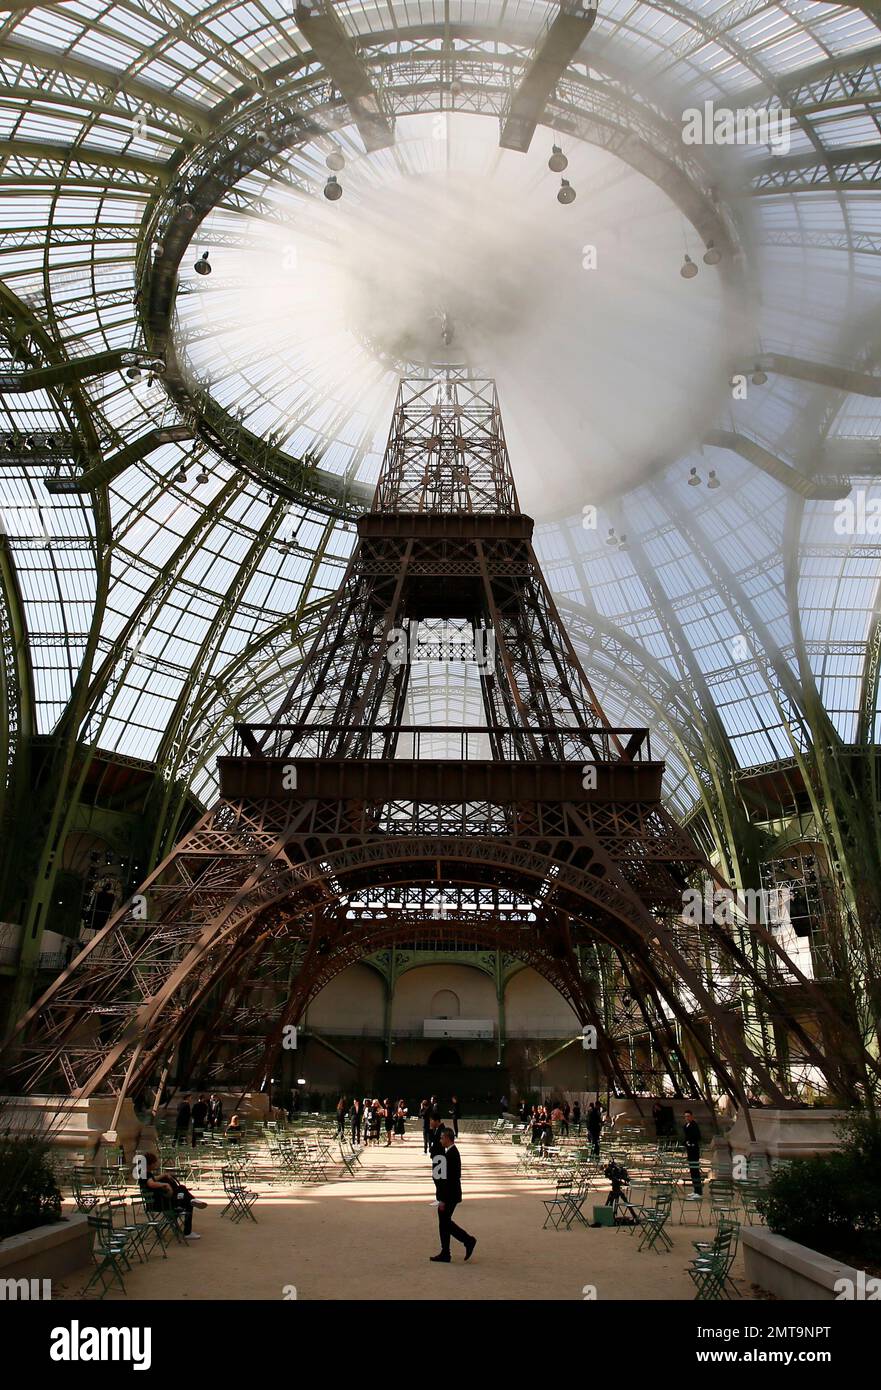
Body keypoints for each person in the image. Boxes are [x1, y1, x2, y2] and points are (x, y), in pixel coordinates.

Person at [430, 1129, 476, 1264]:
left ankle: (466, 1241)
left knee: (444, 1223)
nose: (440, 1140)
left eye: (442, 1138)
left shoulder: (451, 1155)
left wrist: (442, 1199)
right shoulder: (451, 1152)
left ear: (448, 1138)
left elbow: (447, 1180)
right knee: (445, 1223)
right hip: (452, 1194)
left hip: (449, 1195)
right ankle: (449, 1250)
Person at [140, 1152, 206, 1239]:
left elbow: (152, 1179)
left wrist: (164, 1175)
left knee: (182, 1190)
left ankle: (192, 1200)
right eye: (154, 1162)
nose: (156, 1164)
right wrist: (165, 1185)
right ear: (149, 1164)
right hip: (161, 1203)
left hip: (158, 1202)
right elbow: (151, 1183)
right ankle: (187, 1232)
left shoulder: (144, 1174)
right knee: (187, 1201)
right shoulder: (146, 1175)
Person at [683, 1111, 703, 1197]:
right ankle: (695, 1190)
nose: (687, 1118)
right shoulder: (686, 1126)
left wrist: (691, 1142)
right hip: (689, 1150)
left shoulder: (694, 1125)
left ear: (691, 1116)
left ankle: (698, 1191)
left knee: (695, 1170)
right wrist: (686, 1143)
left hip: (694, 1150)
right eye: (685, 1116)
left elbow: (697, 1137)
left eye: (688, 1116)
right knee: (692, 1171)